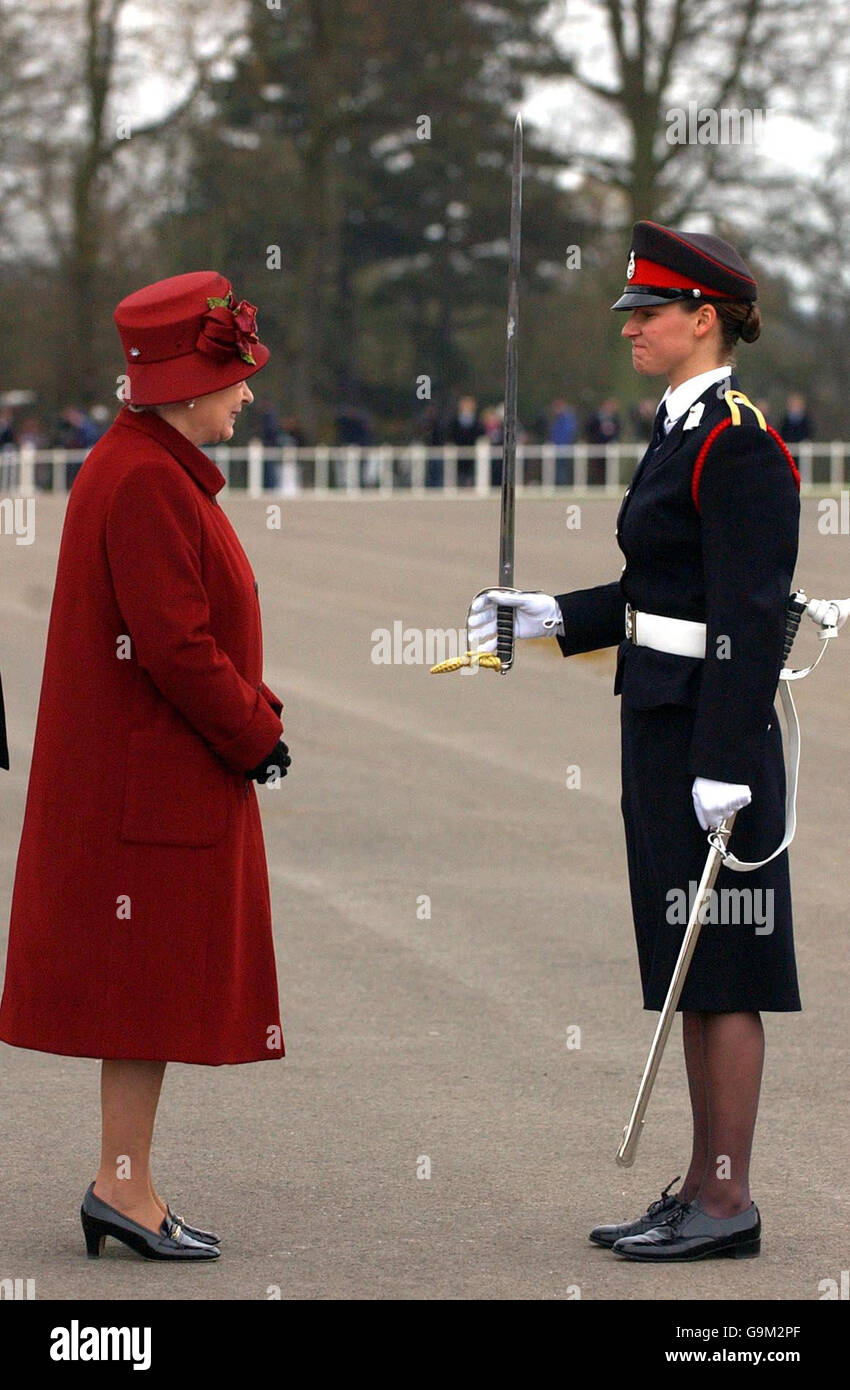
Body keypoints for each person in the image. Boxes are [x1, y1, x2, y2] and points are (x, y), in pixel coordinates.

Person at [466, 220, 834, 1262]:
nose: (629, 328)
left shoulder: (739, 442)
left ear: (701, 319)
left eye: (647, 312)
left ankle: (728, 1198)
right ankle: (702, 1184)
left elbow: (748, 615)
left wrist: (723, 760)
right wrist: (555, 615)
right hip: (663, 725)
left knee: (726, 968)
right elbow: (656, 590)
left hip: (713, 742)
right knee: (688, 961)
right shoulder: (680, 431)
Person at [0, 271, 291, 1262]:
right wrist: (257, 732)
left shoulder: (143, 467)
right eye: (236, 375)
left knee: (143, 993)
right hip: (151, 788)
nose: (246, 394)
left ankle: (124, 1182)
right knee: (143, 990)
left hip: (150, 784)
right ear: (186, 382)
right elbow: (177, 647)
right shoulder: (142, 478)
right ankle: (122, 1184)